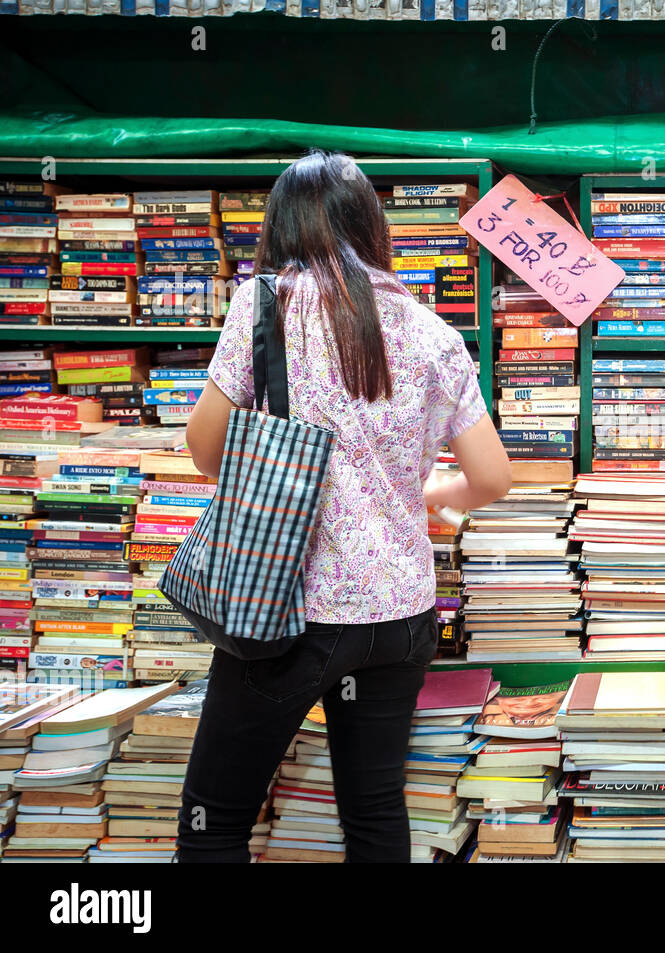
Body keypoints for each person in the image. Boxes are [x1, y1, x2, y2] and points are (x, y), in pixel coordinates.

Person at [176, 150, 511, 863]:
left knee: (216, 819)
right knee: (375, 812)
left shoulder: (266, 304)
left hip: (289, 613)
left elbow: (204, 453)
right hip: (399, 620)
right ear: (373, 225)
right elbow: (490, 476)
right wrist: (428, 492)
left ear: (282, 227)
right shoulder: (433, 333)